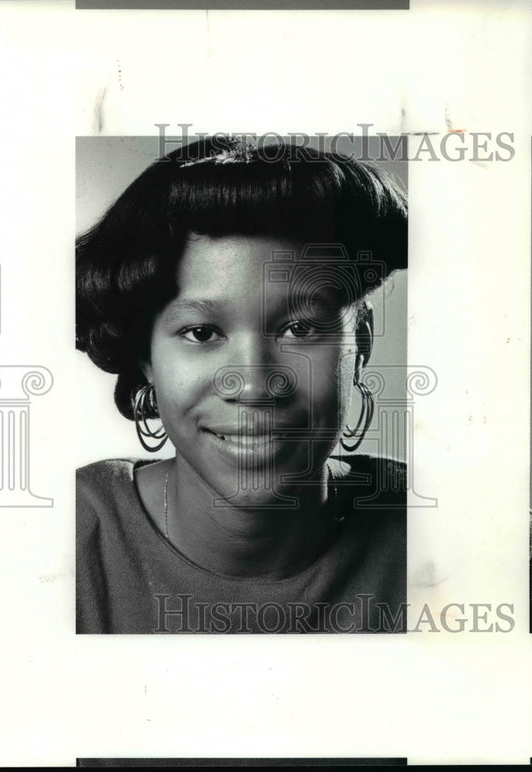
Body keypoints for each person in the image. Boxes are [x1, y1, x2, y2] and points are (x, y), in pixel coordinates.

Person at [76, 136, 408, 634]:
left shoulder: (482, 539)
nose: (253, 384)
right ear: (145, 357)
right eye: (202, 333)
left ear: (357, 345)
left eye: (299, 329)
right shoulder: (54, 540)